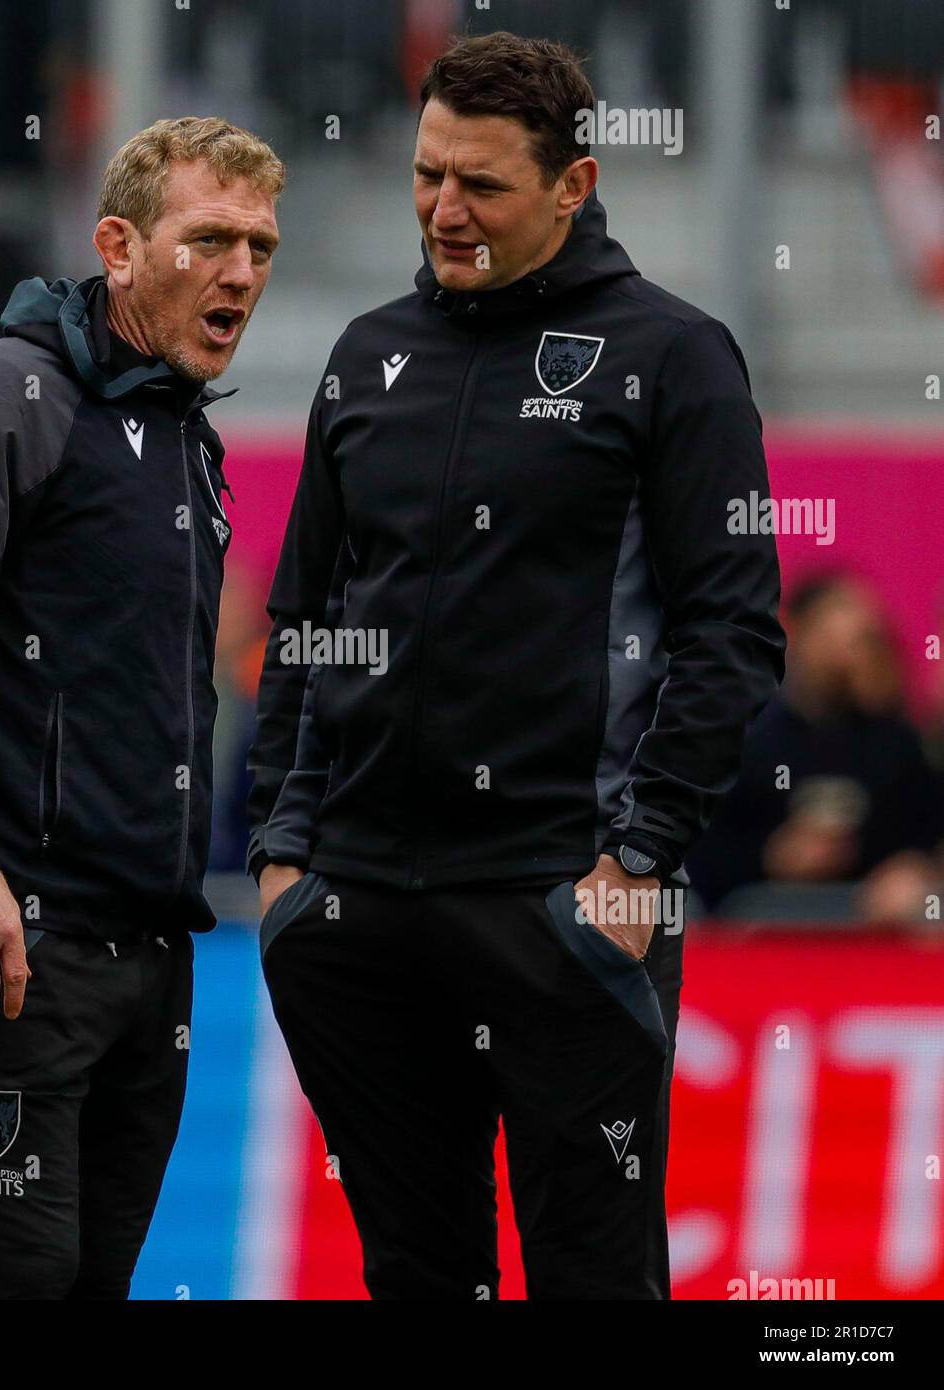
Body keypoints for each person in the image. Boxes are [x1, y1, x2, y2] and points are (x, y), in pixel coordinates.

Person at [247, 33, 785, 1299]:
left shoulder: (677, 356)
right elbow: (303, 614)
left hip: (563, 901)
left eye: (480, 184)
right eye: (428, 174)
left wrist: (636, 856)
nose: (444, 209)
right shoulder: (365, 352)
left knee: (593, 1278)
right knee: (418, 1273)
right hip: (360, 907)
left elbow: (735, 630)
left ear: (573, 185)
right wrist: (283, 851)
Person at [0, 117, 283, 1300]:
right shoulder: (1, 396)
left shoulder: (186, 436)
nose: (239, 271)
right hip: (6, 939)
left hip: (148, 952)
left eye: (259, 246)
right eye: (210, 239)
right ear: (119, 247)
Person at [688, 572, 944, 919]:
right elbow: (700, 858)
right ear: (796, 631)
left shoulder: (895, 743)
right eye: (834, 629)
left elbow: (921, 831)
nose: (848, 649)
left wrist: (911, 868)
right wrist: (771, 857)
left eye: (862, 637)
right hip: (757, 944)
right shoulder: (744, 741)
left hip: (873, 943)